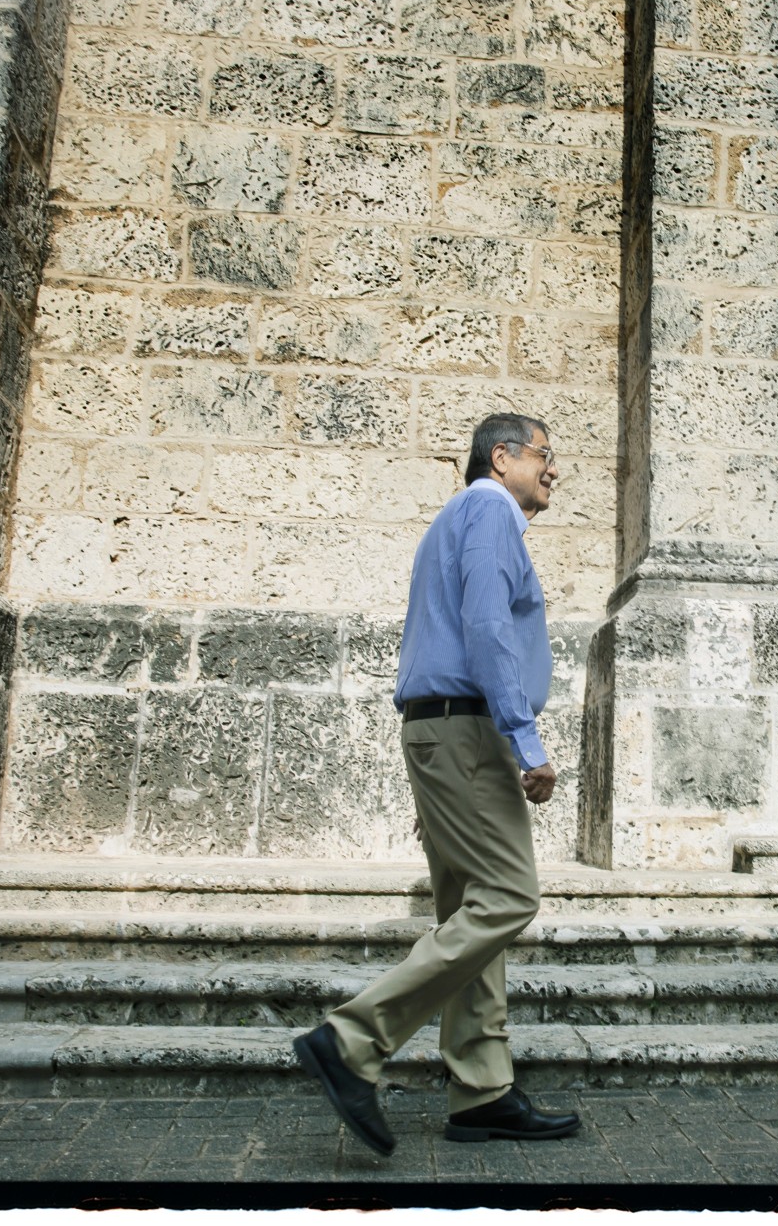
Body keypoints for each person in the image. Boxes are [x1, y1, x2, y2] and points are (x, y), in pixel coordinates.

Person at [293, 412, 579, 1154]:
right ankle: (352, 1038)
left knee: (468, 910)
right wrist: (524, 741)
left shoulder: (455, 520)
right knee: (510, 897)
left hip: (442, 733)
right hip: (469, 730)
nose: (553, 470)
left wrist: (443, 782)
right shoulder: (488, 508)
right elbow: (486, 627)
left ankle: (481, 1091)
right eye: (545, 455)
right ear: (503, 455)